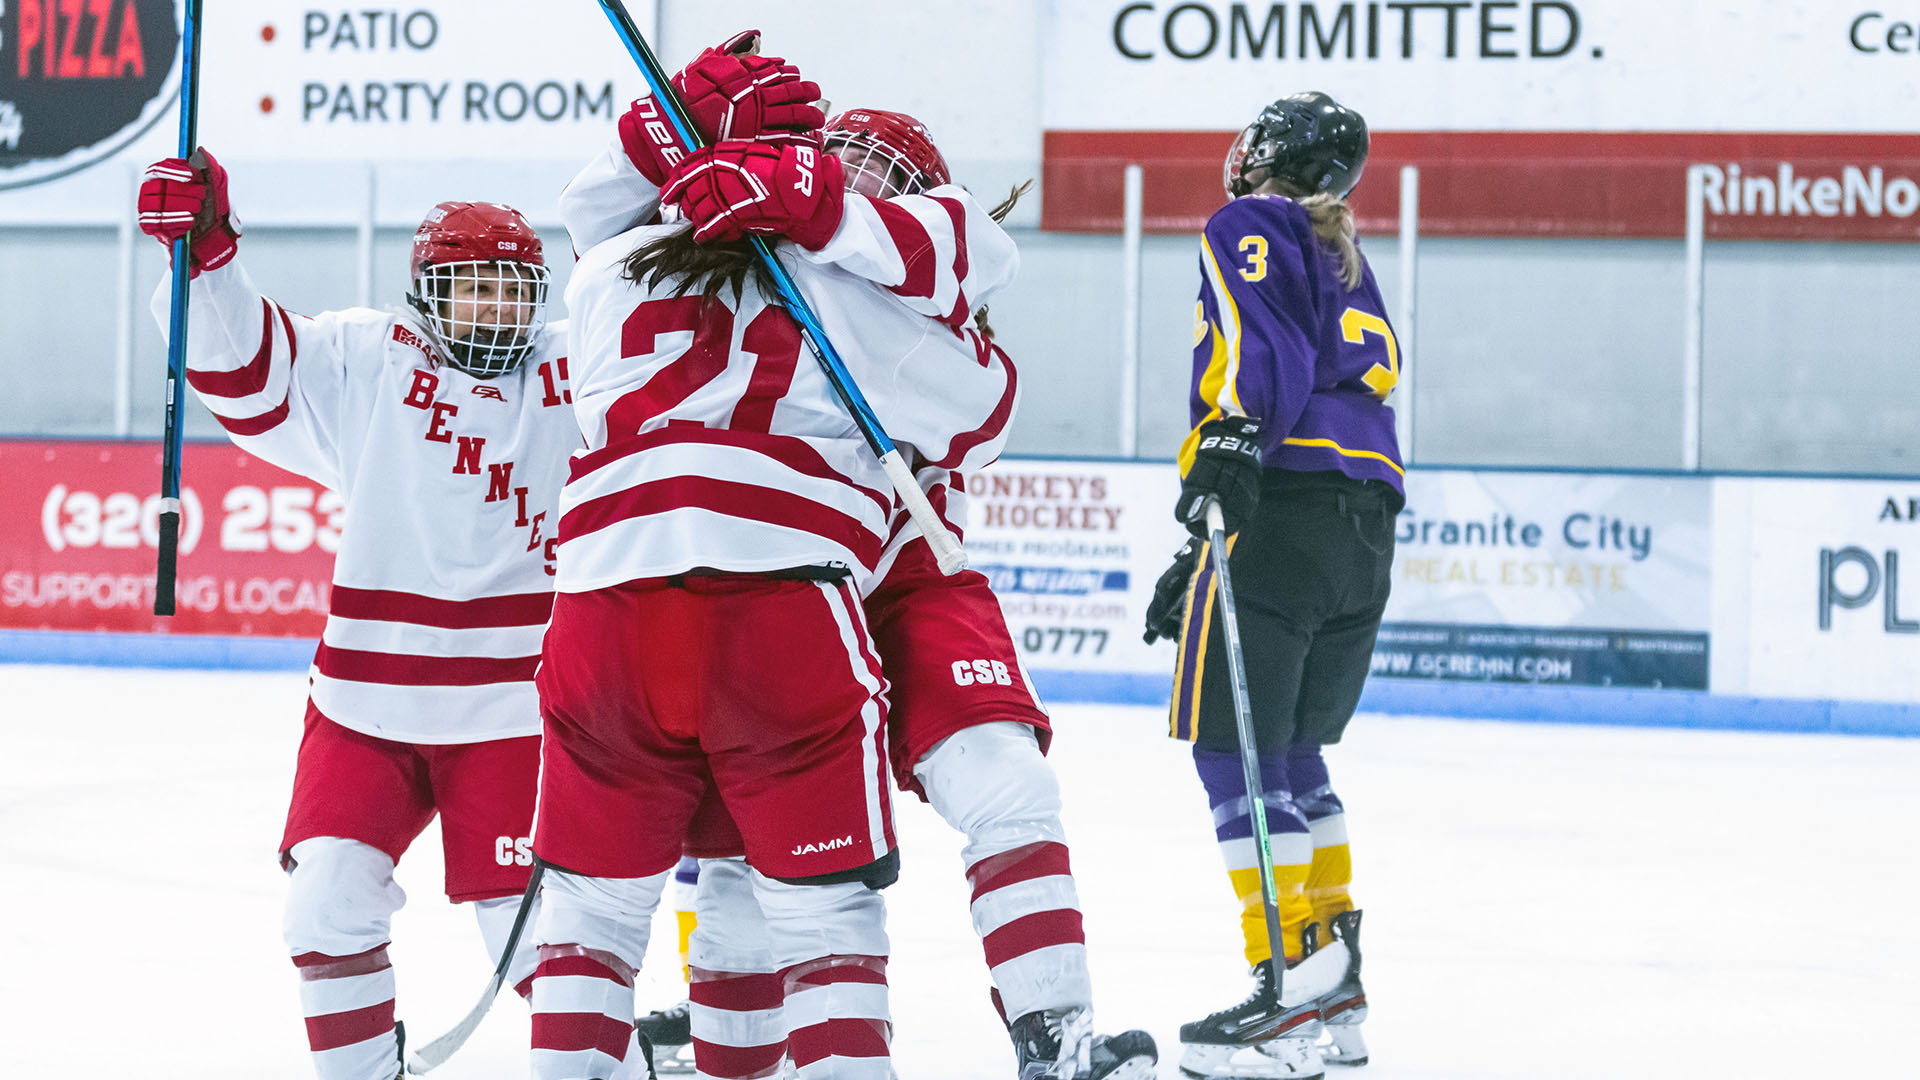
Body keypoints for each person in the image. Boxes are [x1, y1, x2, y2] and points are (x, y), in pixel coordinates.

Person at [620, 106, 1158, 1080]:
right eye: (848, 153)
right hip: (764, 566)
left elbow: (984, 412)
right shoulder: (743, 260)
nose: (865, 170)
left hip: (905, 570)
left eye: (891, 167)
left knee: (1009, 784)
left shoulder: (928, 274)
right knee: (744, 848)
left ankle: (1059, 1038)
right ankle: (729, 1037)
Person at [524, 44, 1028, 1080]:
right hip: (779, 607)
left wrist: (653, 144)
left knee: (591, 916)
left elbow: (591, 213)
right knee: (825, 919)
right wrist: (844, 235)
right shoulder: (842, 288)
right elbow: (982, 408)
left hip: (601, 610)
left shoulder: (605, 273)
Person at [138, 155, 578, 1080]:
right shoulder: (367, 355)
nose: (496, 308)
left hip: (514, 713)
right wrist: (209, 259)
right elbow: (246, 372)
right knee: (324, 908)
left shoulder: (577, 374)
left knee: (540, 936)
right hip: (361, 705)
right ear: (429, 292)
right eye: (473, 288)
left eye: (512, 289)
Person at [1141, 91, 1398, 1080]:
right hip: (1361, 530)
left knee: (1232, 749)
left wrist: (1234, 448)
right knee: (1290, 751)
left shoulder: (1251, 221)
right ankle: (1330, 976)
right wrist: (1202, 551)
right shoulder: (1344, 250)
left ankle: (1286, 982)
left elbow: (1266, 346)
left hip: (1284, 507)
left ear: (1267, 156)